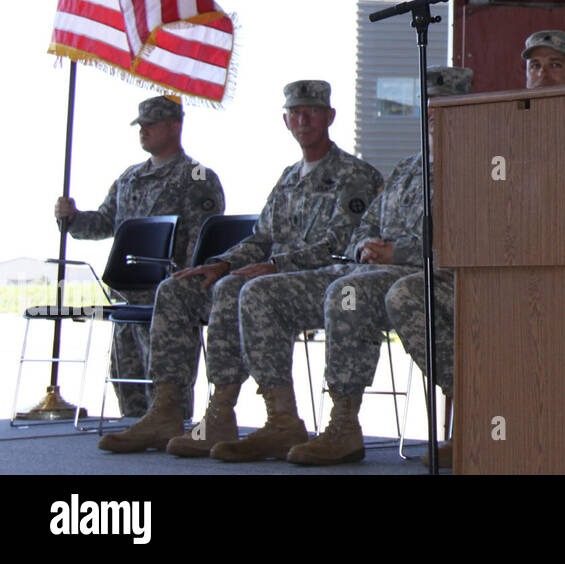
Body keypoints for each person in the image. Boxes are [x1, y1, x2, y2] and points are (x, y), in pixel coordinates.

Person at [96, 80, 383, 454]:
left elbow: (340, 245)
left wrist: (275, 266)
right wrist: (221, 263)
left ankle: (273, 419)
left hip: (329, 283)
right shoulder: (288, 178)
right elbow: (261, 237)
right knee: (179, 290)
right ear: (286, 121)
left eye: (312, 111)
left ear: (329, 116)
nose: (303, 119)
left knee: (243, 289)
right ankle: (170, 411)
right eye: (295, 112)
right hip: (271, 279)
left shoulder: (354, 174)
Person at [218, 67, 474, 464]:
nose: (434, 113)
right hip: (370, 274)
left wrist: (399, 253)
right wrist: (365, 248)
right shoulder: (407, 170)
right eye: (428, 106)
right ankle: (282, 421)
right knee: (260, 293)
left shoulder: (482, 166)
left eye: (444, 104)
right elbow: (363, 227)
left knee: (349, 293)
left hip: (431, 277)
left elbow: (478, 238)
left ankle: (347, 422)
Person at [380, 31, 565, 468]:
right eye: (535, 65)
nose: (543, 75)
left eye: (556, 65)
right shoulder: (498, 133)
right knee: (406, 294)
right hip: (493, 269)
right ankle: (475, 415)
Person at [54, 95, 224, 417]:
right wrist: (73, 218)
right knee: (128, 387)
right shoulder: (129, 178)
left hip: (168, 299)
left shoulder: (197, 177)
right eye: (140, 125)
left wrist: (186, 288)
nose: (143, 131)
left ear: (175, 125)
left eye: (151, 124)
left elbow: (202, 240)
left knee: (166, 384)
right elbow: (105, 222)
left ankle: (171, 442)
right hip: (127, 297)